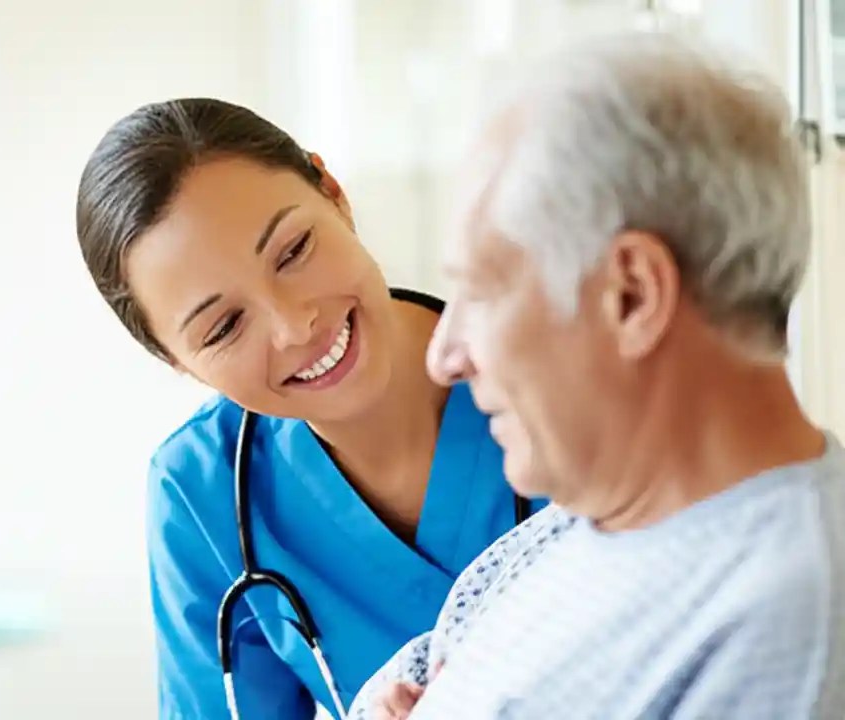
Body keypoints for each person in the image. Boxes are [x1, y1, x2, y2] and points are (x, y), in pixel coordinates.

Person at [350, 31, 845, 719]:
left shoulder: (784, 634)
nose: (445, 355)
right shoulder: (561, 533)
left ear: (632, 295)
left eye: (483, 292)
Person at [75, 98, 547, 718]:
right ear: (176, 362)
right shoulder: (203, 492)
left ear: (332, 193)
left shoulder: (552, 361)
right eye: (223, 328)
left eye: (293, 252)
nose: (294, 326)